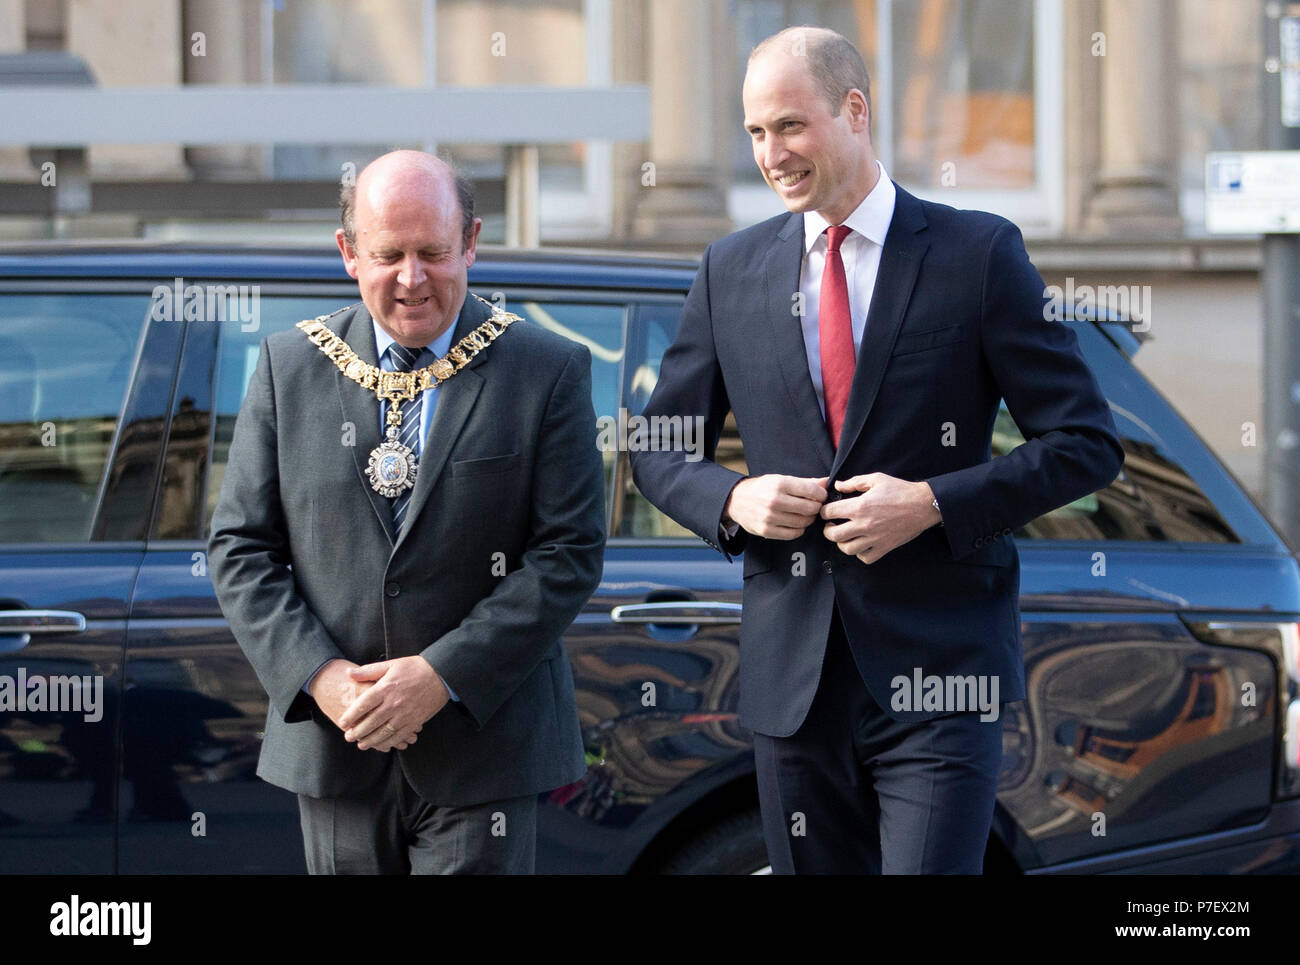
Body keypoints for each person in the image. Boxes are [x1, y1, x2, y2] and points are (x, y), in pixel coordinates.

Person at [629, 26, 1124, 874]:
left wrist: (932, 504)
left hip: (940, 677)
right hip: (795, 685)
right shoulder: (729, 269)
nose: (771, 154)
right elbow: (659, 447)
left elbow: (1086, 443)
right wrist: (731, 499)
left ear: (855, 111)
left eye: (789, 126)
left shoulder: (978, 254)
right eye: (754, 133)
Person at [208, 150, 605, 874]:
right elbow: (239, 548)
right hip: (339, 743)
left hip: (482, 745)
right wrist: (322, 677)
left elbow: (568, 553)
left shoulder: (546, 369)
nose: (413, 278)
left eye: (434, 252)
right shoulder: (287, 367)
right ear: (348, 253)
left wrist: (438, 676)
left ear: (473, 242)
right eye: (389, 254)